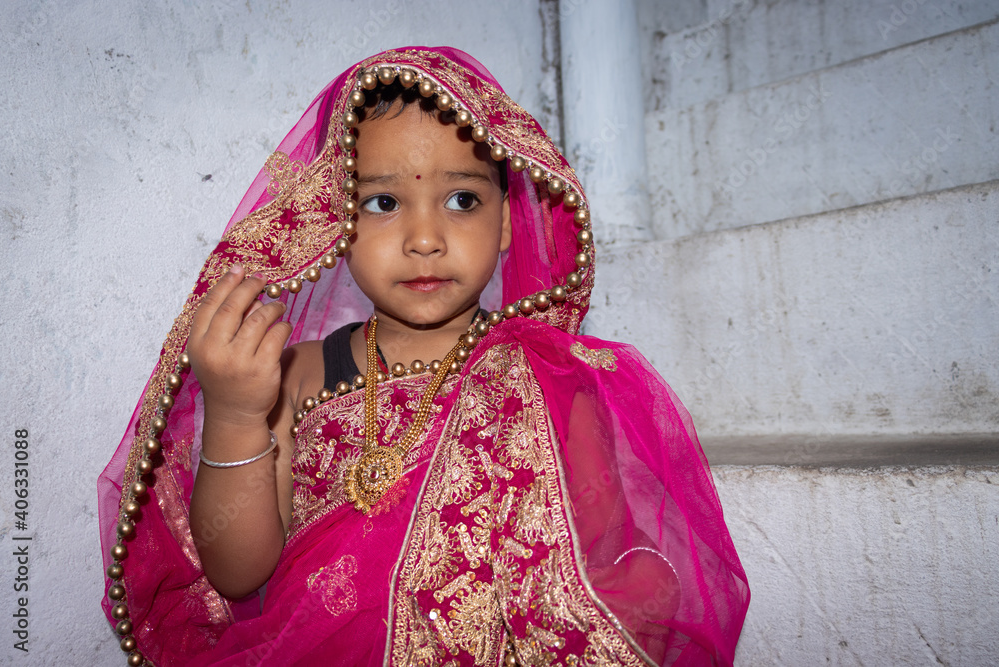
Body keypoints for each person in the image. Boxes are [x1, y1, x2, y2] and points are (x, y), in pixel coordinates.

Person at [98, 46, 749, 666]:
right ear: (335, 218)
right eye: (384, 202)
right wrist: (238, 412)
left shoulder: (547, 378)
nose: (426, 238)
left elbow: (593, 563)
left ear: (502, 222)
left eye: (462, 199)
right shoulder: (294, 376)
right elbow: (238, 574)